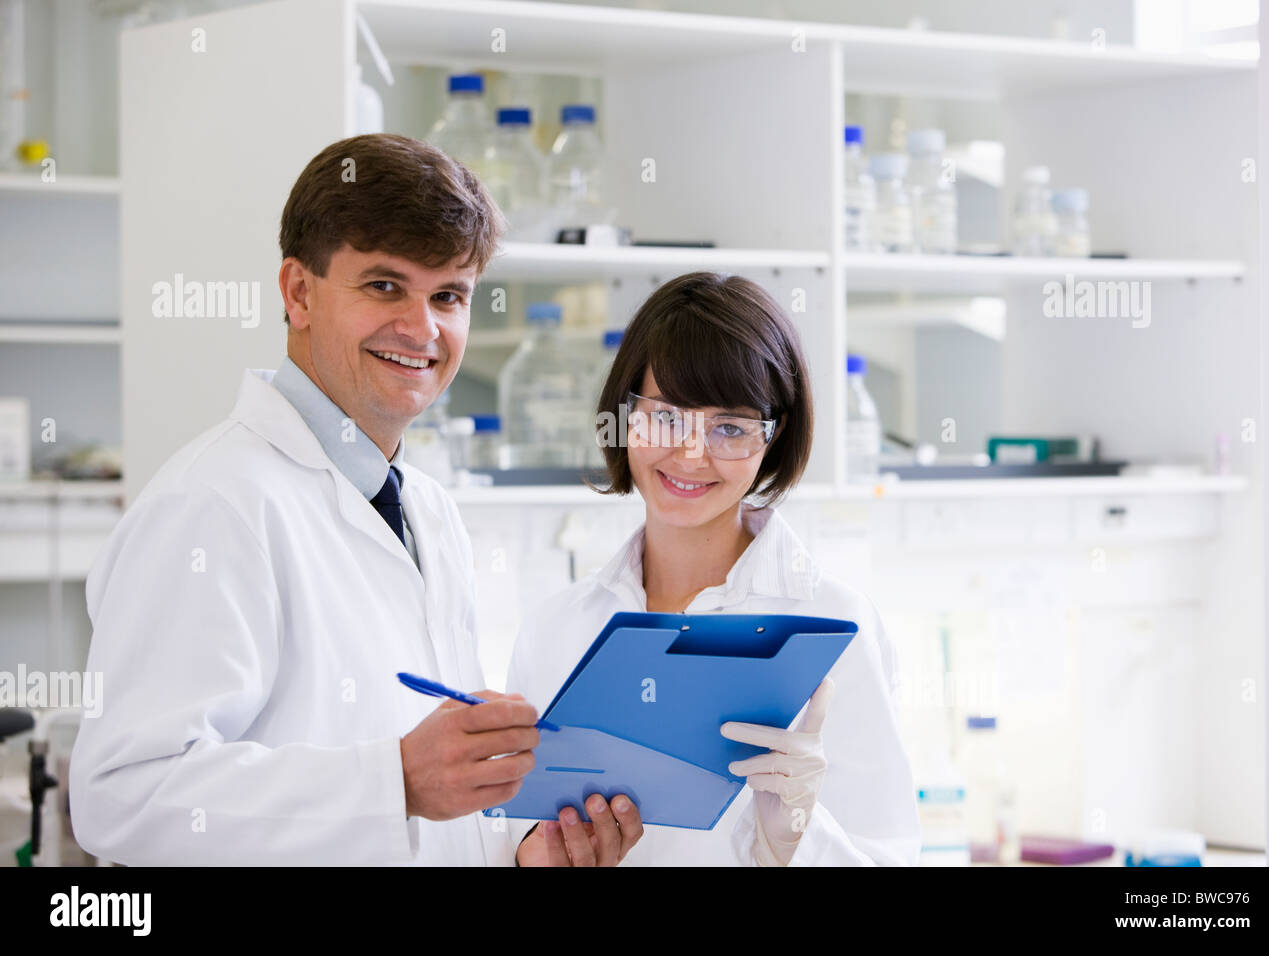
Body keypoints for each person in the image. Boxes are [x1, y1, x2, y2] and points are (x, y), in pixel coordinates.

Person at [68, 133, 643, 865]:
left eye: (448, 296)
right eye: (384, 286)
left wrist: (522, 857)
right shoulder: (212, 505)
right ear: (298, 293)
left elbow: (432, 799)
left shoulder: (428, 511)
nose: (422, 328)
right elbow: (122, 795)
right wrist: (391, 780)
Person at [509, 272, 920, 866]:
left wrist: (796, 841)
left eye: (730, 427)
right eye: (666, 415)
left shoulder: (832, 627)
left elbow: (890, 858)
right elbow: (501, 836)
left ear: (772, 442)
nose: (691, 454)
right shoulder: (557, 629)